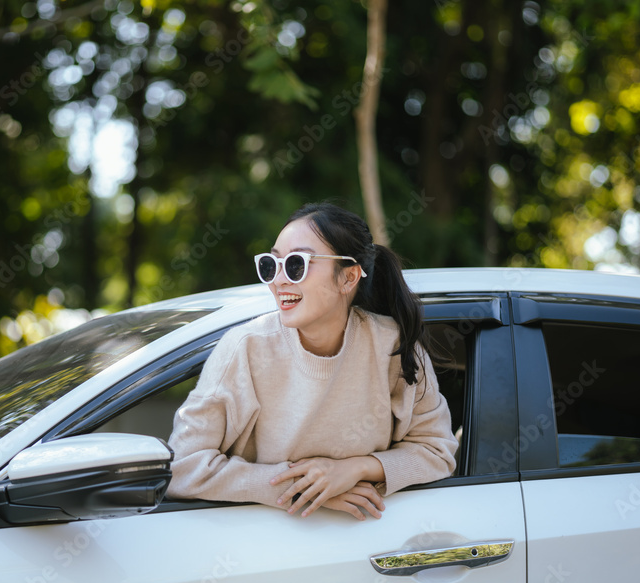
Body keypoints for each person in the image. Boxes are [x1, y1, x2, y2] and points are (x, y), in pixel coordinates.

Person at [166, 202, 458, 520]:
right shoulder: (245, 349)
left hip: (371, 543)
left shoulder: (394, 347)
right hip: (261, 546)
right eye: (271, 265)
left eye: (296, 265)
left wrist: (354, 469)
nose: (278, 281)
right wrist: (305, 488)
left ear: (348, 278)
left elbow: (437, 451)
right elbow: (181, 466)